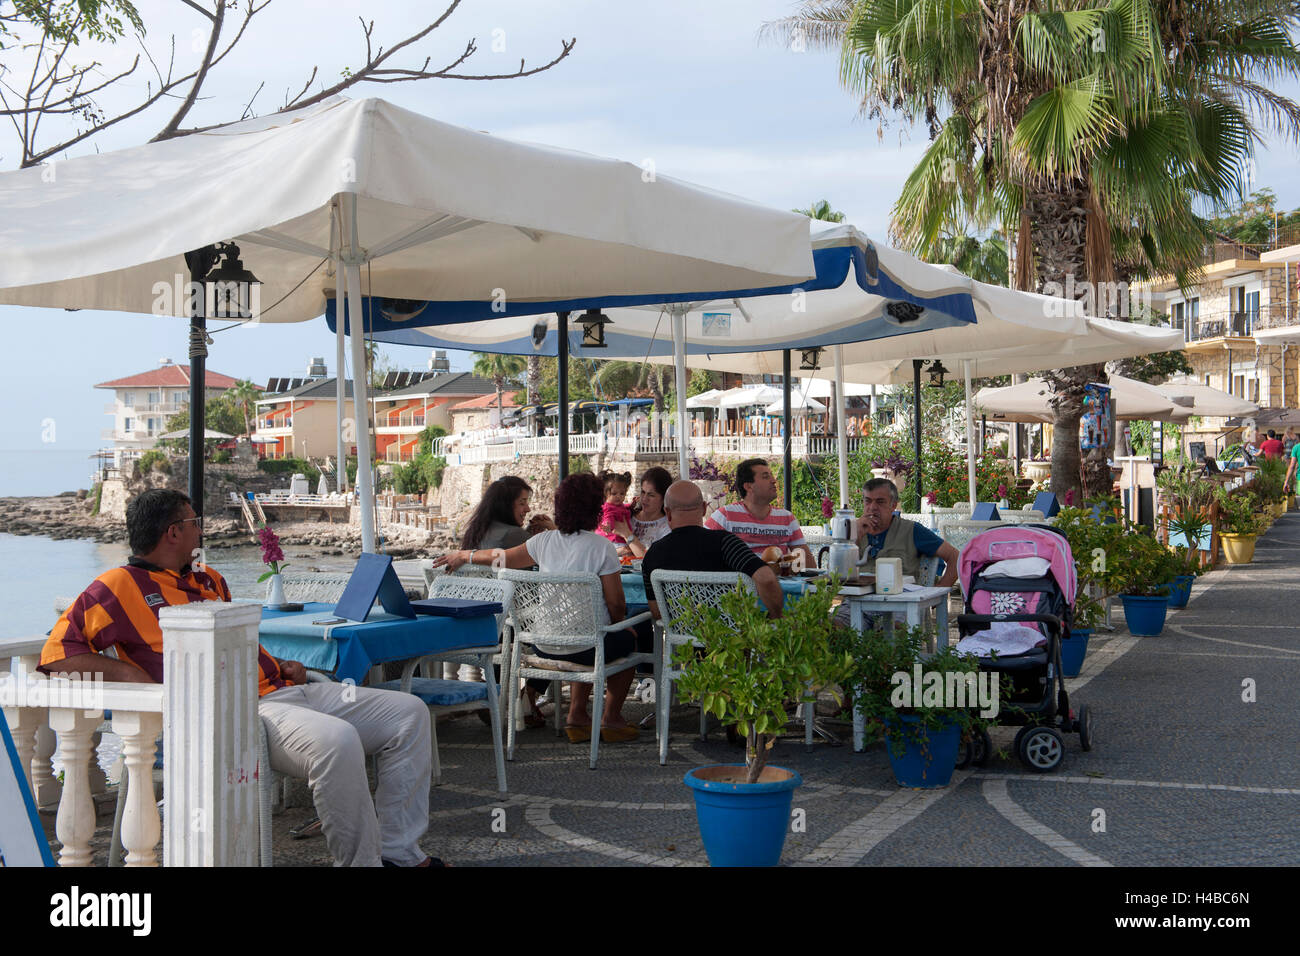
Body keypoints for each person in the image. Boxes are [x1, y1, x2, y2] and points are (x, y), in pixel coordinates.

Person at [38, 489, 441, 867]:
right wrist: (128, 671)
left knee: (409, 713)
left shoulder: (209, 579)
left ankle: (397, 852)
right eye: (195, 521)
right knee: (336, 741)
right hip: (243, 713)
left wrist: (279, 662)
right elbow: (57, 654)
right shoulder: (118, 586)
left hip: (287, 689)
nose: (202, 528)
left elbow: (237, 645)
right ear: (173, 533)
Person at [432, 472, 650, 743]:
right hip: (587, 646)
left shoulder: (542, 542)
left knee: (587, 632)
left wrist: (466, 554)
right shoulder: (601, 547)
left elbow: (501, 558)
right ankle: (611, 719)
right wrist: (618, 621)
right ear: (595, 507)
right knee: (625, 637)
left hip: (542, 643)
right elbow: (617, 605)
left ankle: (577, 716)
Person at [641, 480, 784, 619]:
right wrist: (777, 617)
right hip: (730, 639)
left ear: (668, 512)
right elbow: (766, 579)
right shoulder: (726, 543)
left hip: (683, 641)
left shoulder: (653, 554)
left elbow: (657, 612)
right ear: (704, 508)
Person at [704, 458, 814, 568]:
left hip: (781, 583)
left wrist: (785, 563)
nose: (774, 480)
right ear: (748, 486)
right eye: (766, 477)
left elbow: (806, 561)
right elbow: (702, 552)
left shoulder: (786, 518)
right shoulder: (725, 516)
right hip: (740, 583)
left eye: (771, 475)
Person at [856, 478, 960, 587]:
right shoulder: (852, 530)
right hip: (856, 600)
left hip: (901, 600)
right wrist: (855, 536)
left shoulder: (912, 530)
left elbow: (955, 557)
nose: (872, 507)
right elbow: (838, 572)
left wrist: (939, 592)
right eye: (868, 501)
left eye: (880, 502)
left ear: (893, 505)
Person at [460, 475, 554, 552]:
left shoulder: (480, 530)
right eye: (522, 503)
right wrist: (552, 529)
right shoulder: (512, 534)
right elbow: (555, 554)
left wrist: (527, 534)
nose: (528, 509)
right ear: (505, 505)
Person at [609, 466, 672, 559]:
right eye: (643, 492)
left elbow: (652, 560)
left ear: (663, 498)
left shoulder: (667, 527)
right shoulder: (627, 515)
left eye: (651, 495)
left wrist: (627, 534)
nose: (644, 499)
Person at [595, 470, 634, 546]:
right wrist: (608, 525)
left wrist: (631, 505)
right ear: (605, 493)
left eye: (622, 493)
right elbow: (608, 517)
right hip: (613, 540)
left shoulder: (617, 505)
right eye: (614, 493)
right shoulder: (608, 508)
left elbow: (622, 508)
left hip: (618, 538)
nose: (618, 496)